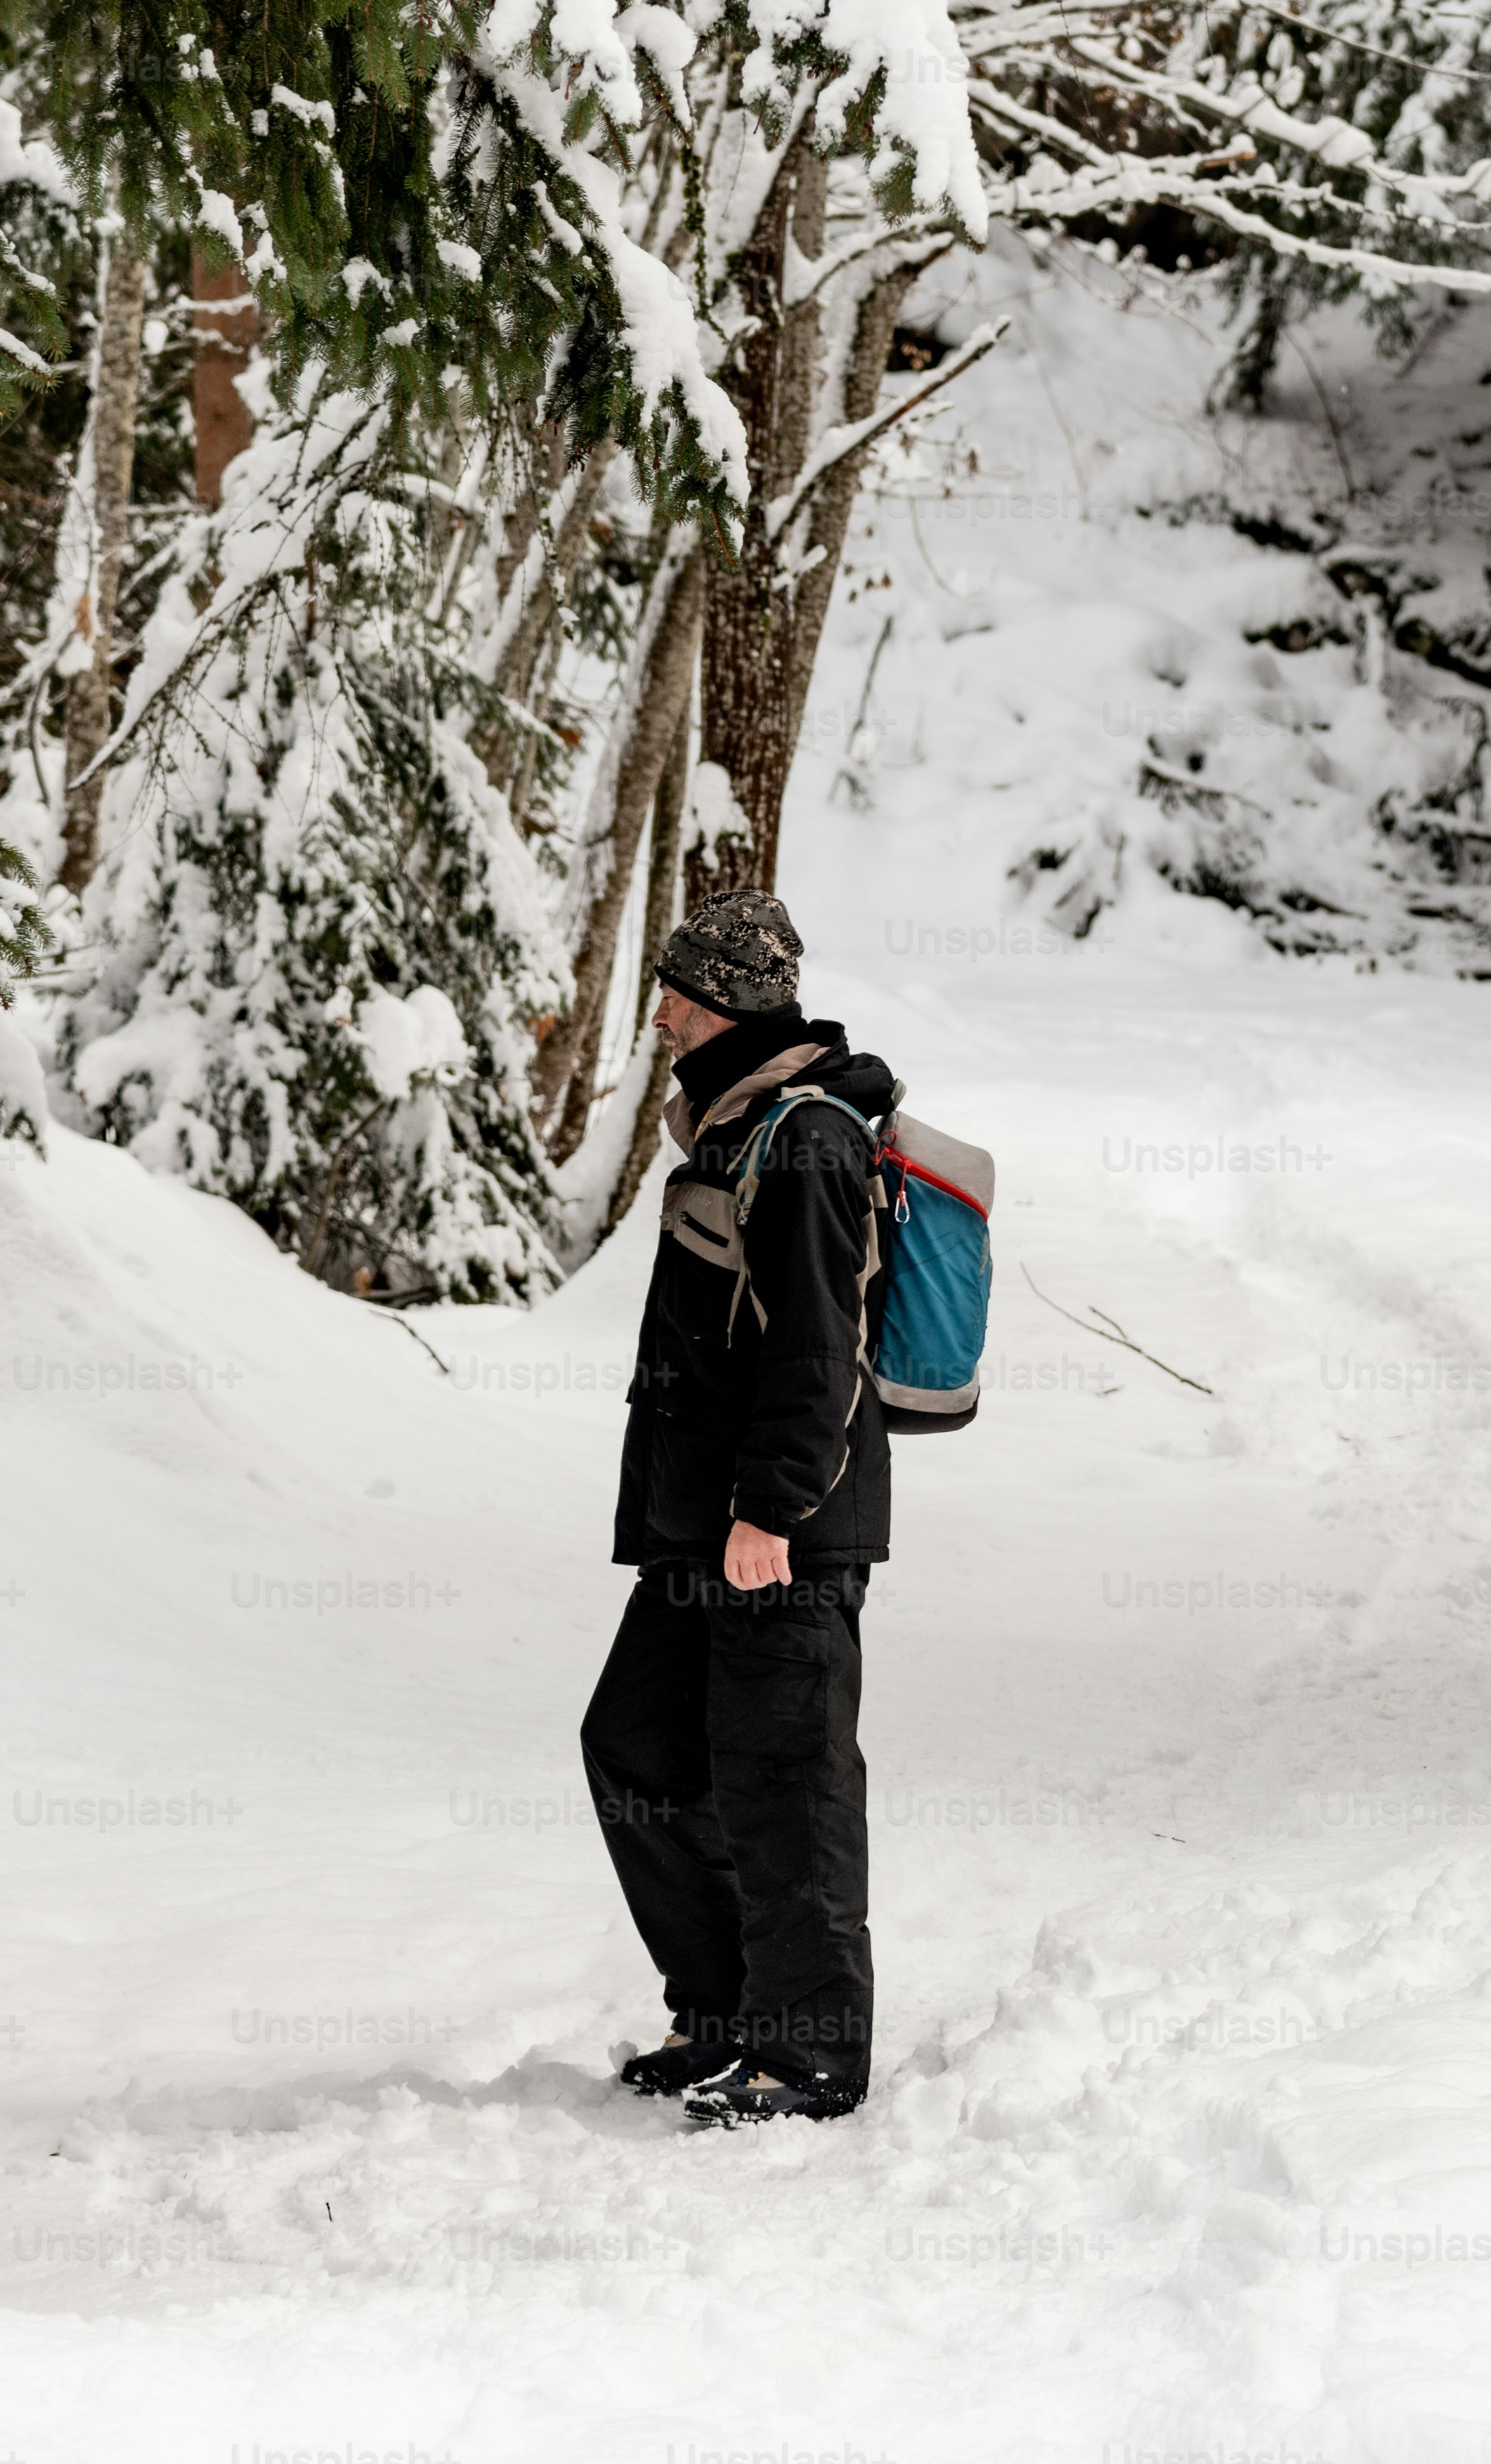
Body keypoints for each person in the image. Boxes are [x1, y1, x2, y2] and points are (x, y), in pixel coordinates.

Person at [577, 890, 899, 2127]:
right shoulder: (731, 1126)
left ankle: (810, 2054)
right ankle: (720, 2015)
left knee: (785, 1781)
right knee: (641, 1750)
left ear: (725, 1001)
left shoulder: (807, 1141)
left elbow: (818, 1354)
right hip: (703, 1529)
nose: (659, 1008)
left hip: (782, 1531)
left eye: (676, 990)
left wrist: (768, 1511)